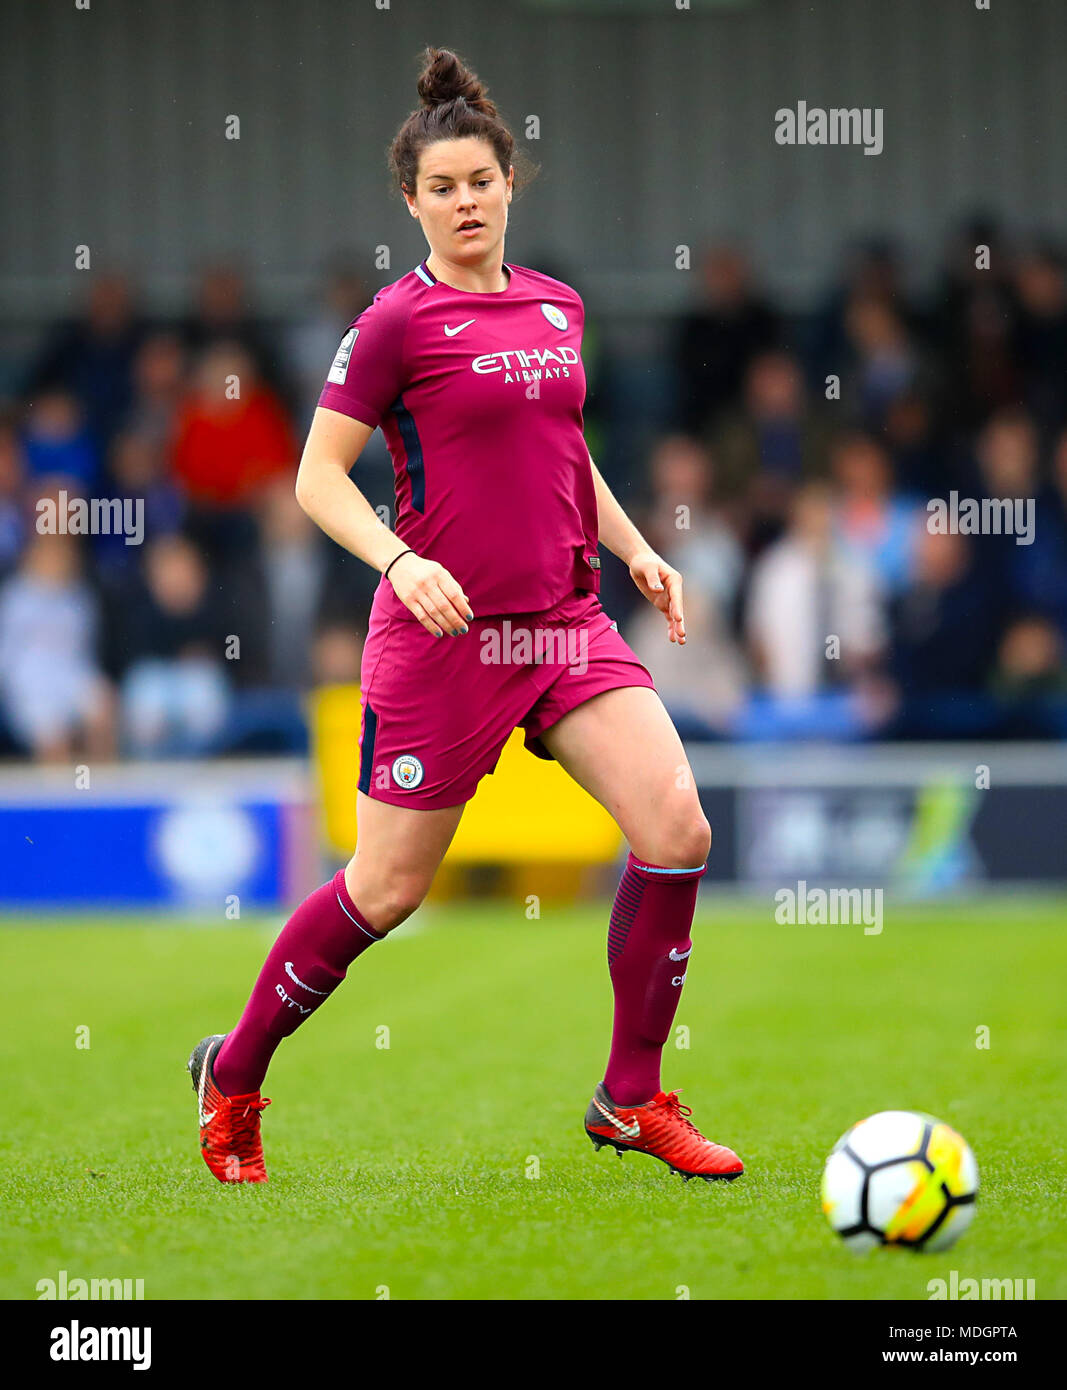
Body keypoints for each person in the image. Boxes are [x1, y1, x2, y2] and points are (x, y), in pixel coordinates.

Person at [187, 46, 743, 1187]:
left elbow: (561, 445)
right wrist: (396, 562)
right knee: (386, 892)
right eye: (439, 188)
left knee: (676, 828)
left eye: (479, 181)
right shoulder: (393, 323)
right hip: (443, 643)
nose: (464, 202)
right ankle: (233, 1071)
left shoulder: (558, 305)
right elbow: (316, 479)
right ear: (411, 203)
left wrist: (636, 550)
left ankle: (629, 1097)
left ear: (507, 182)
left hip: (561, 625)